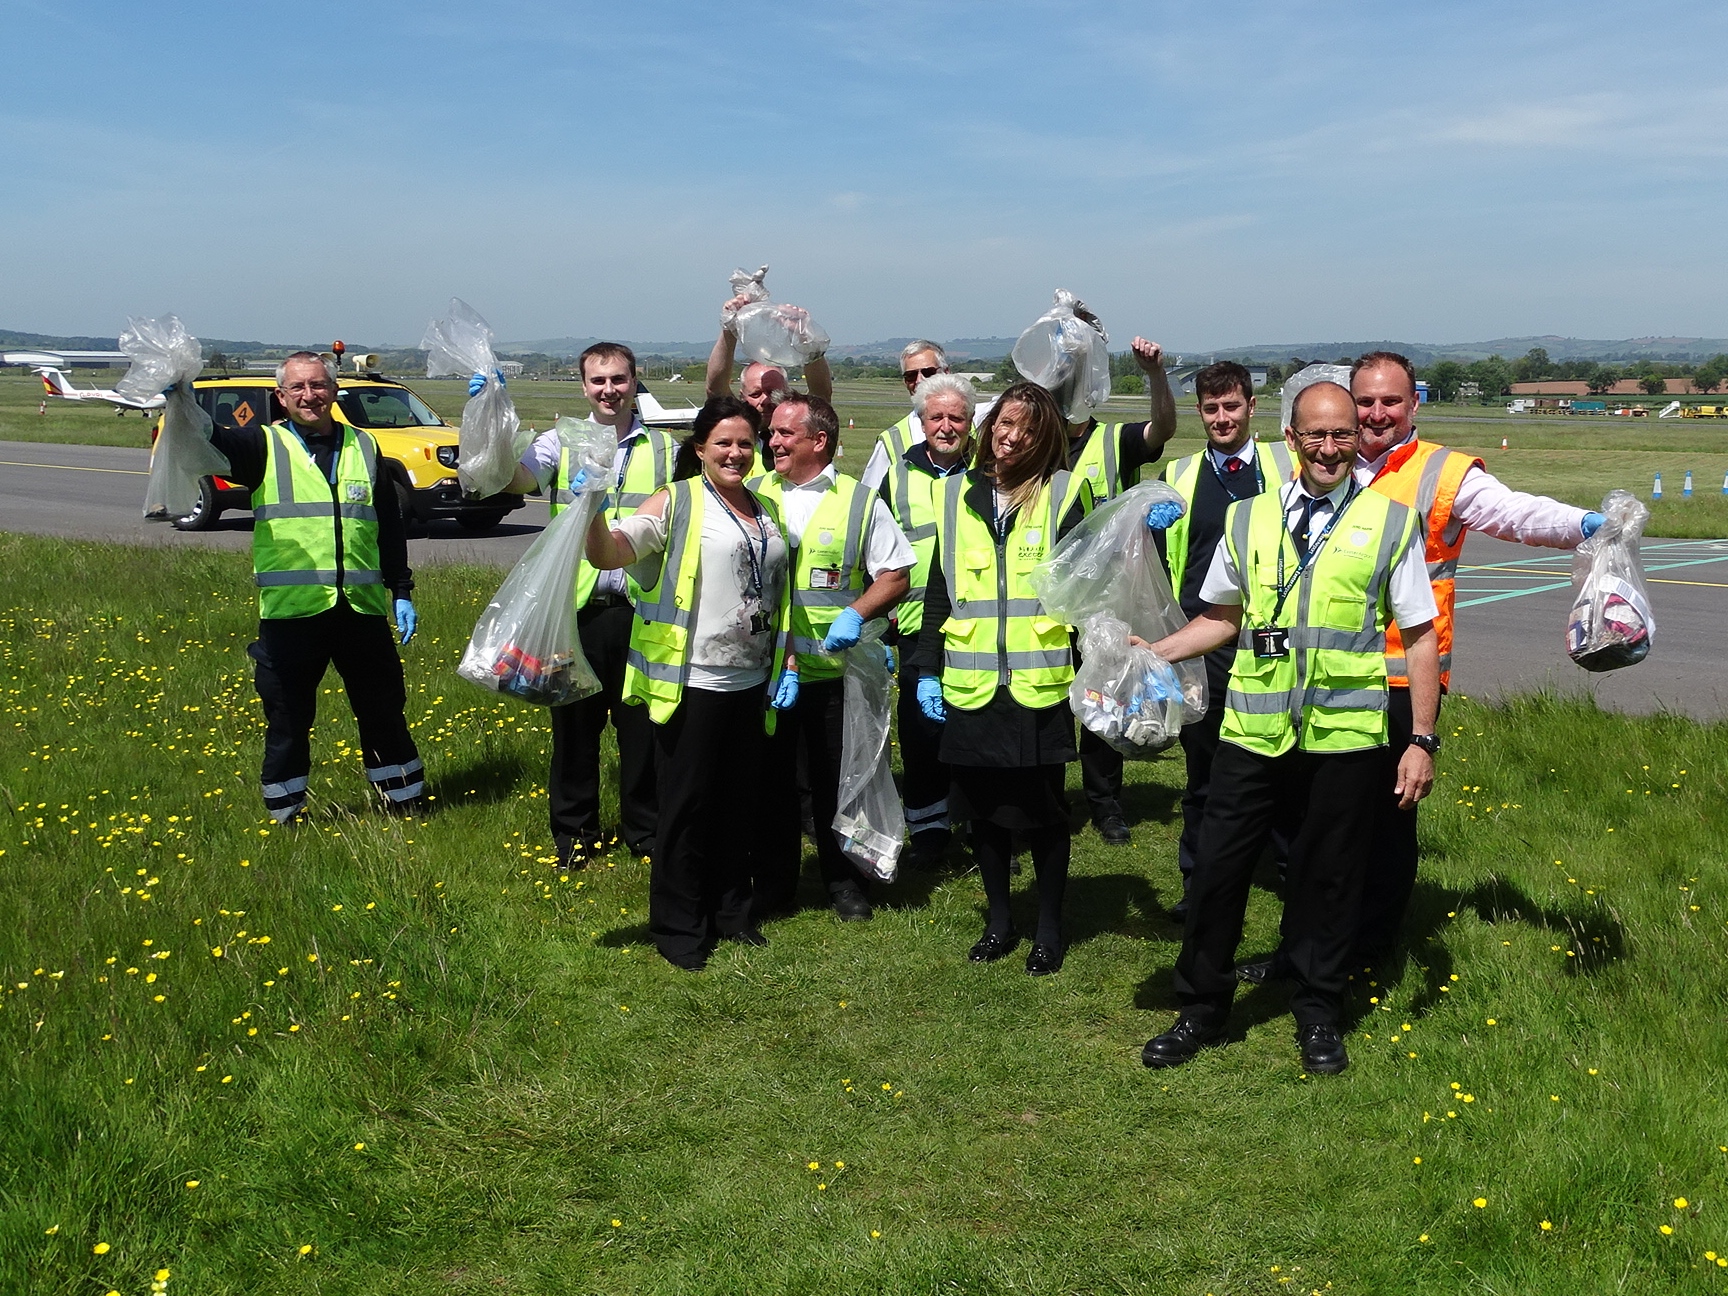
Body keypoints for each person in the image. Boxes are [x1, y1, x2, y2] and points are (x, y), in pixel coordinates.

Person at [1138, 379, 1440, 1074]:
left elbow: (1421, 636)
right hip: (1252, 731)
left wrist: (1421, 739)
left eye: (1343, 435)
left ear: (1356, 441)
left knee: (1326, 880)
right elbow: (1221, 618)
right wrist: (1153, 652)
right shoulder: (1248, 519)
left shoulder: (1390, 521)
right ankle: (1202, 1009)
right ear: (1292, 440)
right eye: (1316, 435)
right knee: (1217, 870)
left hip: (1345, 737)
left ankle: (1317, 1012)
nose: (1330, 448)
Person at [1345, 350, 1605, 962]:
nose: (1376, 413)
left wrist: (1587, 525)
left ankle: (1372, 948)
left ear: (1414, 404)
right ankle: (1316, 938)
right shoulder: (1326, 457)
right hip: (1325, 673)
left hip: (1400, 678)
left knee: (1386, 822)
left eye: (1390, 401)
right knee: (1319, 814)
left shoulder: (1442, 472)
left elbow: (1515, 513)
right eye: (1365, 400)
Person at [580, 396, 790, 970]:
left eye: (746, 442)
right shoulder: (676, 501)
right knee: (687, 807)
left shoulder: (765, 505)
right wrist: (591, 503)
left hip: (752, 679)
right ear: (700, 449)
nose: (736, 452)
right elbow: (608, 553)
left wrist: (786, 662)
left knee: (737, 804)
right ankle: (678, 927)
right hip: (693, 681)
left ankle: (731, 912)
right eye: (723, 442)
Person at [912, 381, 1093, 975]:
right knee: (983, 814)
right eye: (1005, 423)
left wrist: (1145, 520)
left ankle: (1048, 926)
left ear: (1046, 442)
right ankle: (999, 922)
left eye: (1029, 430)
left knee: (1043, 814)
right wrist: (926, 669)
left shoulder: (1063, 494)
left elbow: (1096, 577)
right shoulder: (955, 496)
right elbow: (940, 588)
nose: (1011, 437)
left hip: (1037, 684)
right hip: (970, 684)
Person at [203, 351, 422, 823]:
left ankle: (403, 800)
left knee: (383, 708)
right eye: (298, 388)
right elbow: (210, 443)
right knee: (288, 719)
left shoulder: (365, 447)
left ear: (335, 392)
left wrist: (400, 589)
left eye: (320, 386)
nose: (310, 396)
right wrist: (180, 399)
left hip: (360, 611)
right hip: (291, 615)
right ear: (280, 397)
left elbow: (387, 523)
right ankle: (286, 813)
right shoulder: (262, 445)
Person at [502, 343, 677, 869]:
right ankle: (574, 833)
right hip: (576, 613)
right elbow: (515, 480)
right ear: (583, 386)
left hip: (643, 610)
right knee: (575, 730)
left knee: (642, 729)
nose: (609, 390)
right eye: (598, 381)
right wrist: (490, 419)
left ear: (634, 380)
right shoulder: (562, 442)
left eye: (619, 379)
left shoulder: (665, 448)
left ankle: (643, 831)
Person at [751, 393, 913, 921]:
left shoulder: (861, 501)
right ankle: (774, 887)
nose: (771, 441)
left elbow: (895, 575)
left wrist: (856, 613)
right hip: (769, 671)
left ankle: (843, 883)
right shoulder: (752, 494)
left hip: (832, 674)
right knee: (772, 785)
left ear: (818, 441)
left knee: (833, 783)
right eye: (771, 432)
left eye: (783, 434)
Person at [1147, 361, 1294, 915]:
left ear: (1252, 408)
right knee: (1203, 770)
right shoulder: (1180, 476)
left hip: (1270, 638)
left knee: (1279, 761)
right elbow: (1161, 569)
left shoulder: (1286, 464)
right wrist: (1146, 522)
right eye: (1211, 408)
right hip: (1202, 640)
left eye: (1231, 406)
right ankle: (1199, 880)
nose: (1222, 417)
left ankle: (1285, 873)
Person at [1043, 323, 1179, 847]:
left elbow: (1161, 429)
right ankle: (1049, 796)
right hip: (1048, 597)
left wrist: (1156, 376)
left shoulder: (1113, 440)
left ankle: (1105, 802)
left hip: (1105, 600)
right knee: (1049, 700)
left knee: (1104, 695)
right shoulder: (1036, 445)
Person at [876, 372, 977, 867]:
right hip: (916, 625)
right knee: (921, 733)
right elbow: (874, 545)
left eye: (955, 417)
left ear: (971, 421)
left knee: (976, 726)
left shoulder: (989, 471)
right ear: (920, 422)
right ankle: (929, 830)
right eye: (935, 416)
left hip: (979, 621)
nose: (945, 426)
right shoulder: (896, 473)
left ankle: (981, 824)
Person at [859, 341, 989, 490]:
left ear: (946, 372)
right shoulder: (891, 441)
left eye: (928, 372)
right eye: (911, 375)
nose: (920, 380)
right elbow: (871, 498)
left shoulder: (979, 419)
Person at [705, 292, 834, 417]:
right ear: (742, 396)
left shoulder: (798, 426)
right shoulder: (738, 425)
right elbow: (716, 390)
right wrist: (729, 329)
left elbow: (821, 397)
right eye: (755, 394)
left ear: (787, 394)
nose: (765, 400)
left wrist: (806, 343)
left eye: (774, 393)